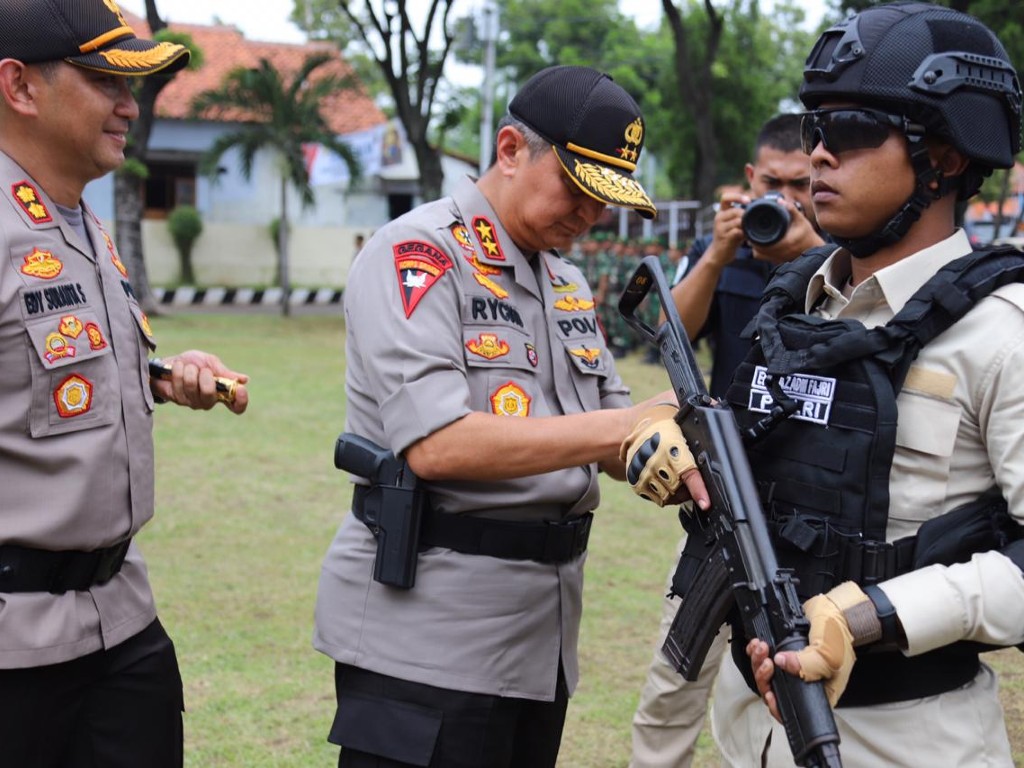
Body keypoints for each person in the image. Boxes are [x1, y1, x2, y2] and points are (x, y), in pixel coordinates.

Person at [624, 3, 1024, 766]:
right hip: (749, 736)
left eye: (848, 133)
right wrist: (659, 434)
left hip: (905, 740)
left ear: (940, 153)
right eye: (813, 131)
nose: (818, 158)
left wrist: (876, 613)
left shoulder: (1003, 331)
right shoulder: (793, 305)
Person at [313, 64, 676, 768]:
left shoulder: (561, 277)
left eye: (606, 203)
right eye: (577, 189)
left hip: (539, 633)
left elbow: (605, 420)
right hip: (428, 640)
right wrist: (627, 424)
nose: (590, 216)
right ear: (510, 150)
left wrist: (673, 435)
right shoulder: (418, 255)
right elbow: (438, 446)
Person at [0, 2, 251, 766]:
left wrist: (160, 376)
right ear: (18, 86)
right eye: (105, 79)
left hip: (122, 621)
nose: (128, 105)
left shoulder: (78, 221)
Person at [630, 113, 825, 768]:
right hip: (719, 503)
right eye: (773, 181)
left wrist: (807, 256)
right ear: (750, 178)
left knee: (790, 696)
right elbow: (666, 336)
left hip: (811, 509)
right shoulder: (725, 248)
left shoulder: (840, 257)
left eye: (803, 183)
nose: (787, 198)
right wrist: (715, 254)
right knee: (671, 688)